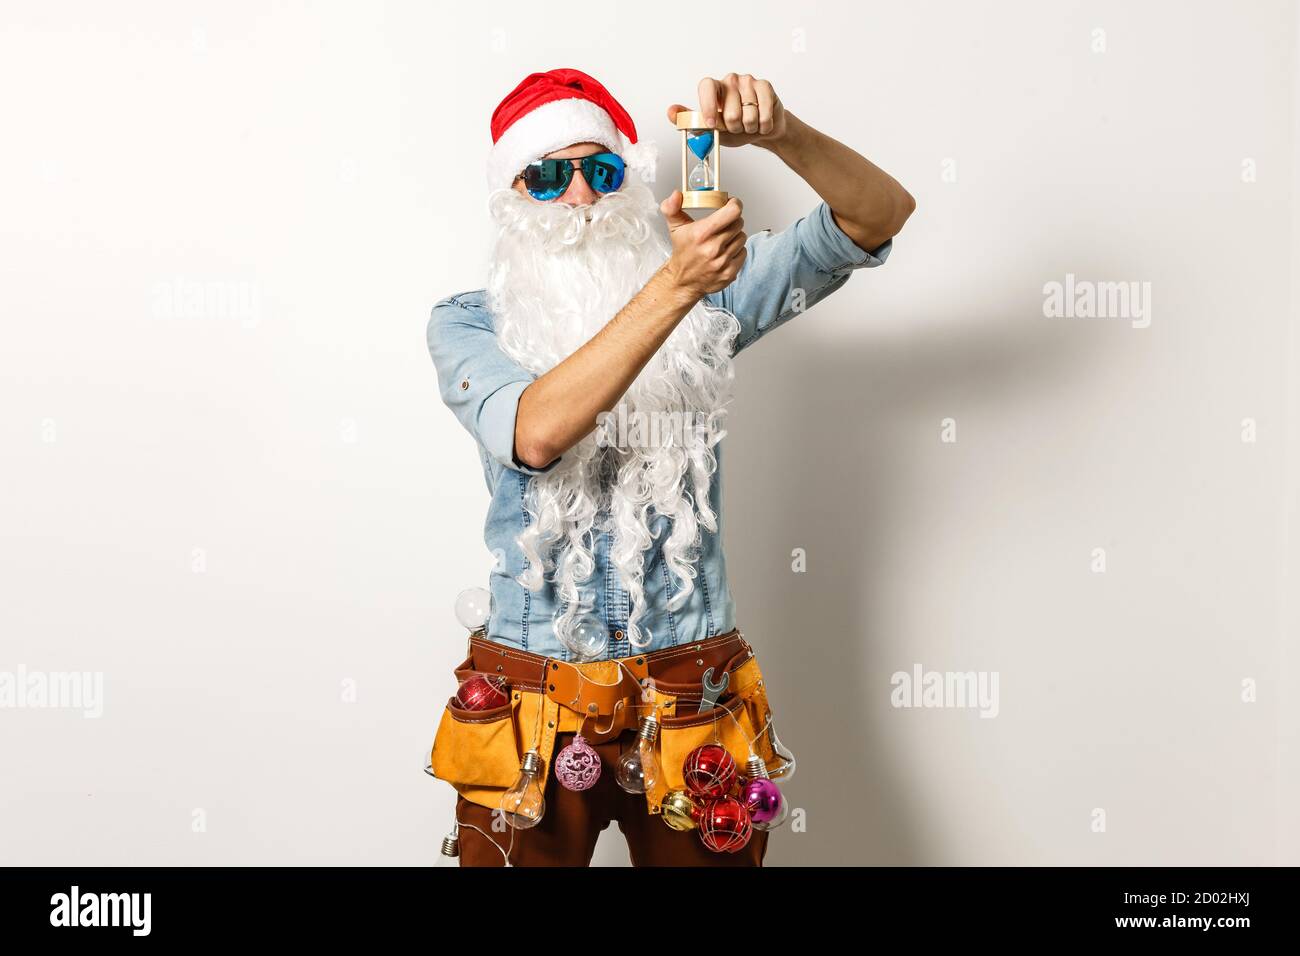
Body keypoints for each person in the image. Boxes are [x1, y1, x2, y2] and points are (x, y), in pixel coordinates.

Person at [426, 67, 914, 867]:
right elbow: (536, 433)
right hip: (527, 706)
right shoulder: (467, 323)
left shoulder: (708, 307)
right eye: (548, 175)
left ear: (626, 184)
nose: (579, 195)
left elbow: (877, 215)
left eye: (601, 170)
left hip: (692, 692)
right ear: (511, 195)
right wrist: (678, 281)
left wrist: (784, 133)